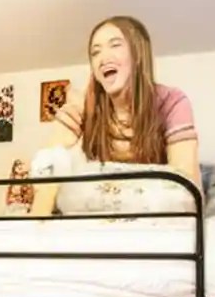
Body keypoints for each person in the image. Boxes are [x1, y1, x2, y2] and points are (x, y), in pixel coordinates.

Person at [30, 15, 202, 216]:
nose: (103, 58)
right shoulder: (83, 103)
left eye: (115, 45)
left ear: (138, 54)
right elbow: (48, 172)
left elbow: (184, 190)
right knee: (64, 187)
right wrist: (35, 228)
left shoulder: (172, 101)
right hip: (103, 208)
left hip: (157, 210)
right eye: (95, 52)